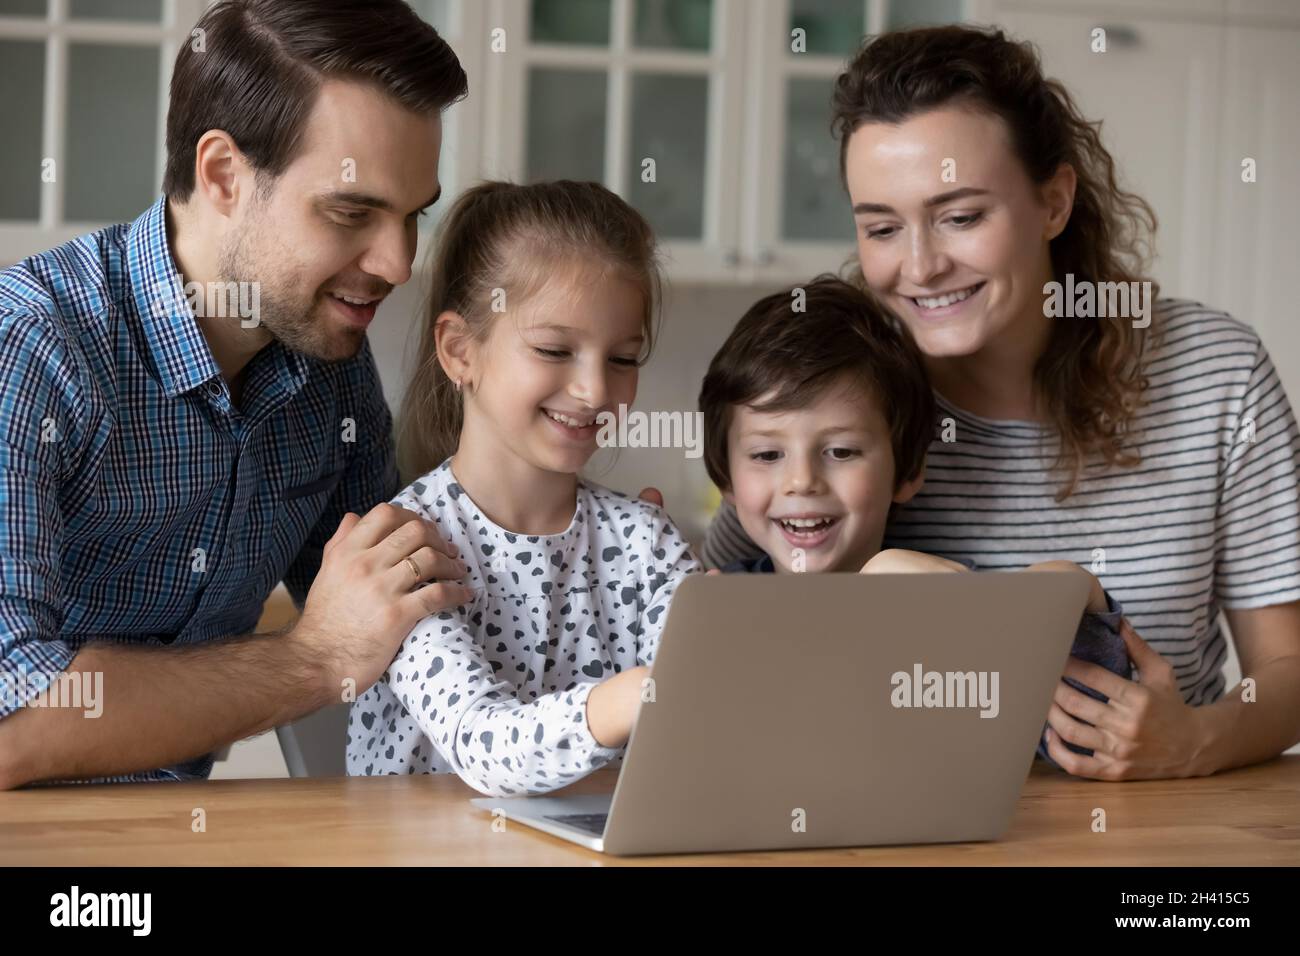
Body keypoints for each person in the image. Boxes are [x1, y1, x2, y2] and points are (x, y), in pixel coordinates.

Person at [703, 25, 1300, 780]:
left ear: (1053, 202)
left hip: (1154, 829)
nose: (919, 266)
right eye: (882, 228)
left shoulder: (1216, 375)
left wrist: (1194, 742)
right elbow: (719, 604)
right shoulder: (838, 402)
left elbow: (1285, 671)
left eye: (961, 216)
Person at [0, 0, 472, 788]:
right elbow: (11, 721)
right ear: (222, 174)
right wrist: (310, 660)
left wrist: (580, 546)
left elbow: (401, 609)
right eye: (352, 211)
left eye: (413, 215)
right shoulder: (34, 348)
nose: (397, 262)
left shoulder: (329, 362)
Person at [346, 181, 699, 794]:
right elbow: (484, 744)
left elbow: (702, 730)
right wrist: (640, 693)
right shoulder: (406, 549)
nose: (595, 391)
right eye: (554, 349)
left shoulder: (645, 542)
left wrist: (721, 648)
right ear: (461, 352)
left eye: (623, 358)